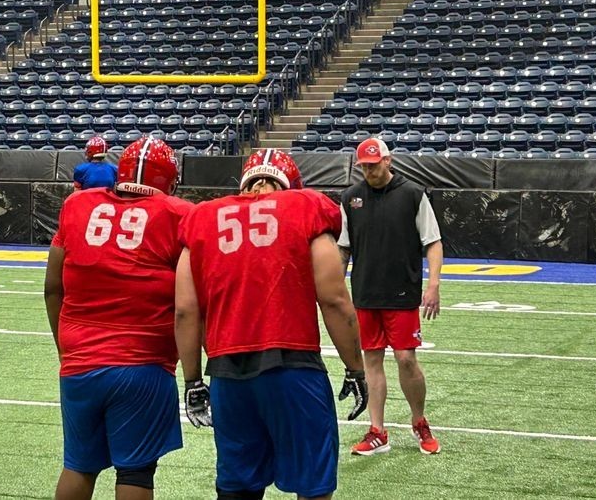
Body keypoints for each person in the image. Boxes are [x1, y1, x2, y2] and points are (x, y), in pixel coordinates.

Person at [175, 149, 367, 500]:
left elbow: (186, 310)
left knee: (238, 487)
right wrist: (356, 368)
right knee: (312, 486)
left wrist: (192, 380)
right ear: (291, 184)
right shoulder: (307, 206)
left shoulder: (203, 218)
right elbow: (335, 300)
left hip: (227, 375)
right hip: (292, 367)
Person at [45, 137, 190, 500]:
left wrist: (66, 349)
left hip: (79, 360)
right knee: (136, 471)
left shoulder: (78, 205)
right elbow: (190, 303)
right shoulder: (179, 213)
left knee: (79, 465)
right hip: (142, 361)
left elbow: (52, 287)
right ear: (169, 180)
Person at [339, 137, 443, 456]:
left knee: (406, 359)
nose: (369, 171)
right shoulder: (350, 198)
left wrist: (434, 284)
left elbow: (433, 242)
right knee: (372, 360)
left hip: (402, 293)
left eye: (374, 164)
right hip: (366, 294)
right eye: (365, 166)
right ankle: (377, 431)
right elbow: (343, 248)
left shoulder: (412, 194)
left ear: (388, 160)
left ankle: (419, 421)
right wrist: (336, 289)